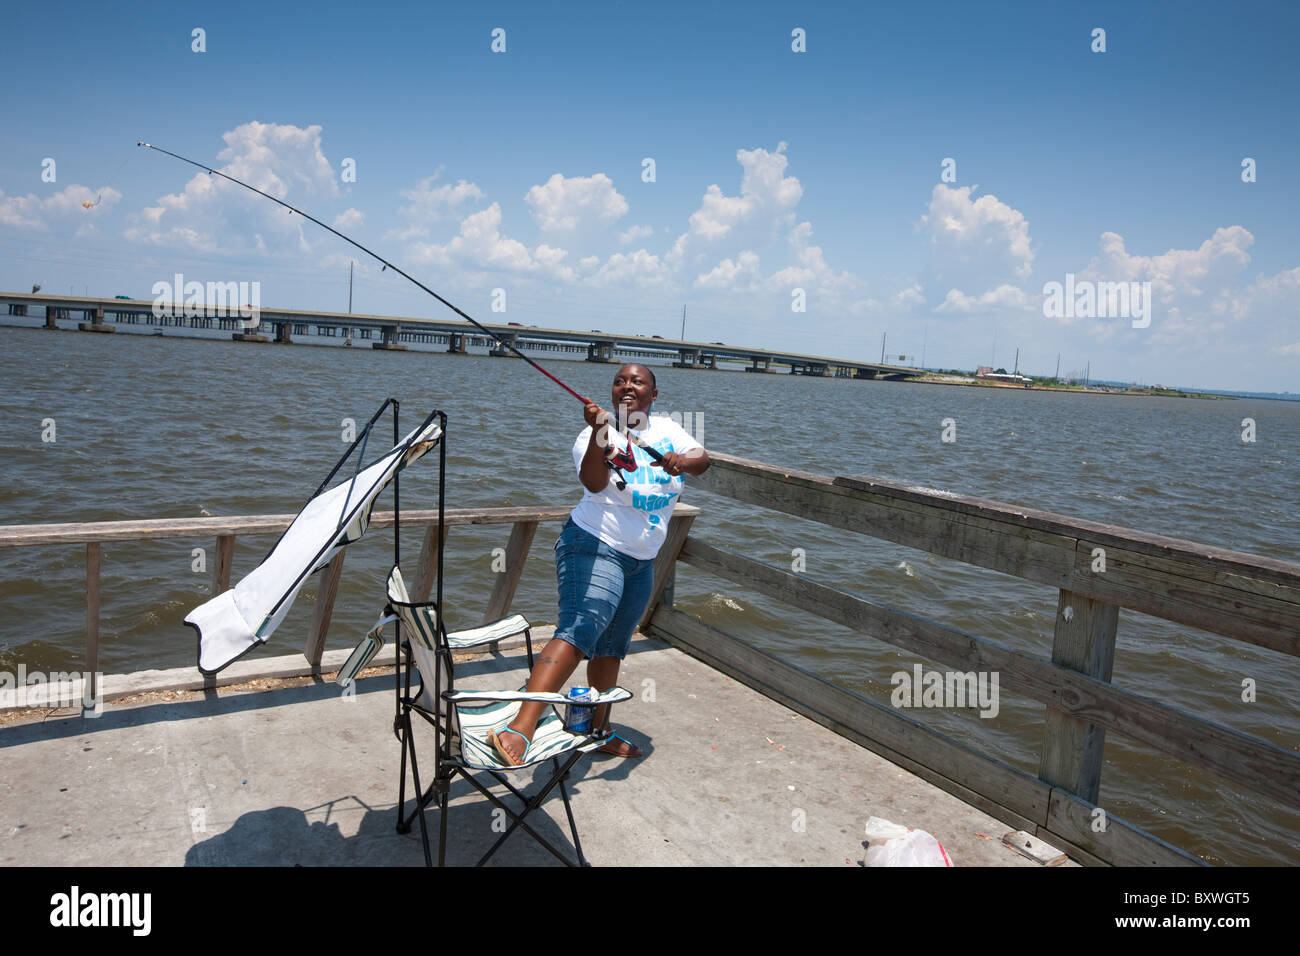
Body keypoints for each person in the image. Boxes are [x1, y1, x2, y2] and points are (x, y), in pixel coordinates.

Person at [488, 363, 710, 765]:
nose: (627, 386)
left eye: (637, 381)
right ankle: (520, 727)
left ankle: (597, 730)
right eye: (620, 381)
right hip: (594, 543)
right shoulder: (594, 434)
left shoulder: (666, 429)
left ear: (653, 395)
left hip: (641, 559)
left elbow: (703, 459)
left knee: (611, 649)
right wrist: (597, 432)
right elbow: (592, 482)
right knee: (581, 628)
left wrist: (681, 460)